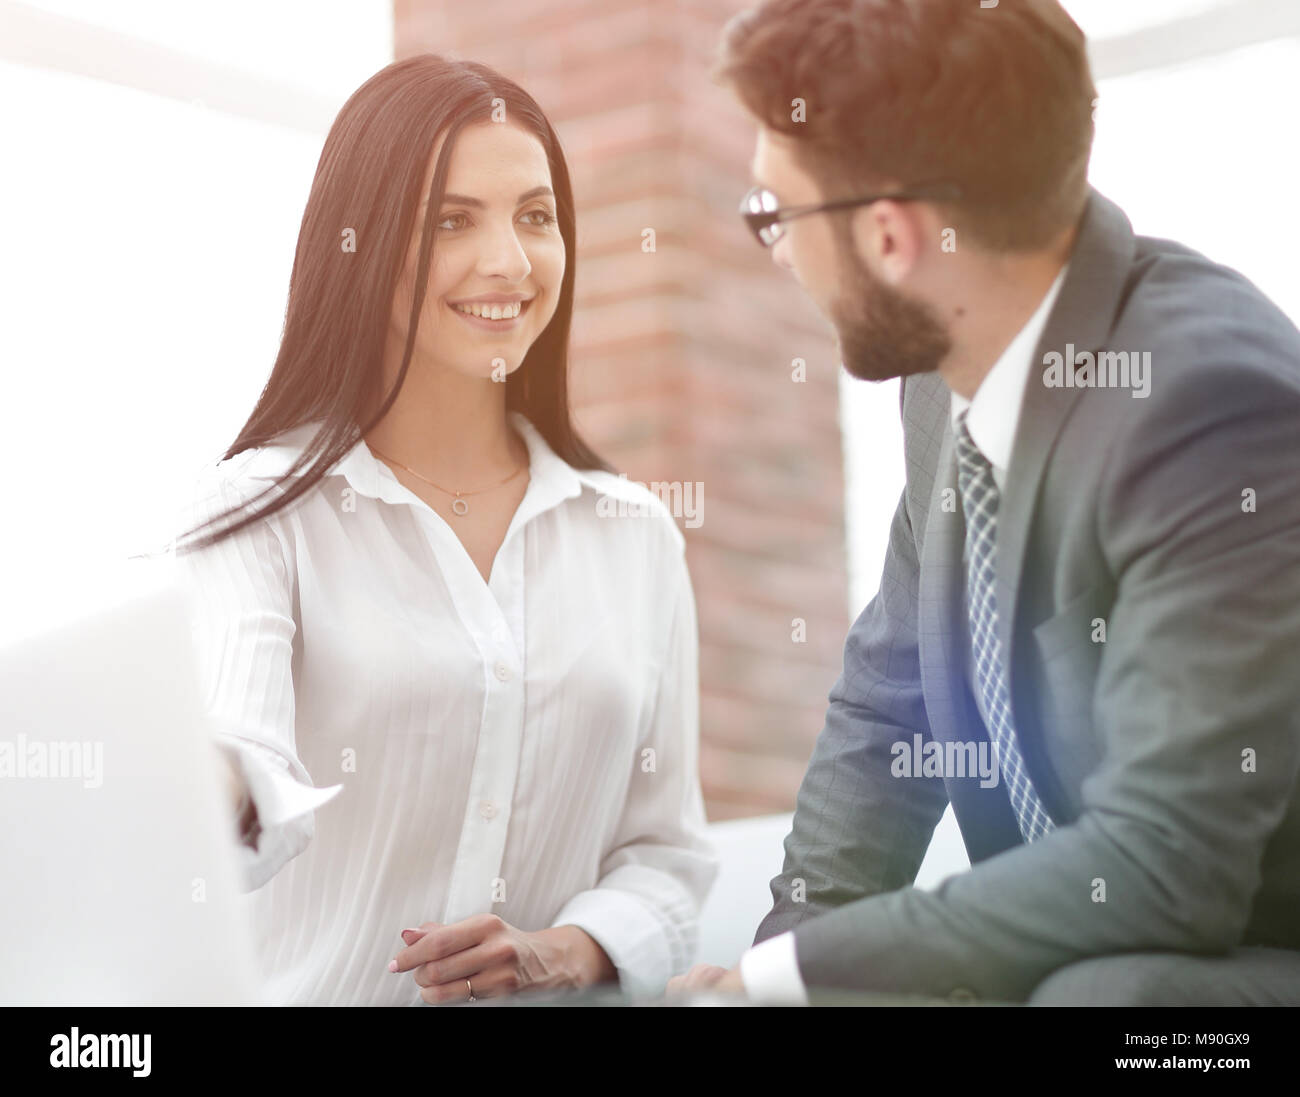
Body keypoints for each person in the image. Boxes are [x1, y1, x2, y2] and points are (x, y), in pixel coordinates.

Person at [670, 0, 1300, 1005]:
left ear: (889, 235)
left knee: (1103, 1003)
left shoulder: (1206, 406)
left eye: (774, 215)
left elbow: (1165, 866)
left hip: (1232, 959)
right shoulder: (945, 375)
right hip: (1108, 944)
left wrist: (791, 975)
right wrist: (786, 962)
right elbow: (889, 705)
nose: (778, 252)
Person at [172, 54, 717, 1006]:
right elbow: (243, 752)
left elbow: (666, 855)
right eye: (451, 220)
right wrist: (200, 780)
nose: (508, 260)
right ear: (363, 243)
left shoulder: (633, 537)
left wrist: (564, 947)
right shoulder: (257, 513)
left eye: (535, 216)